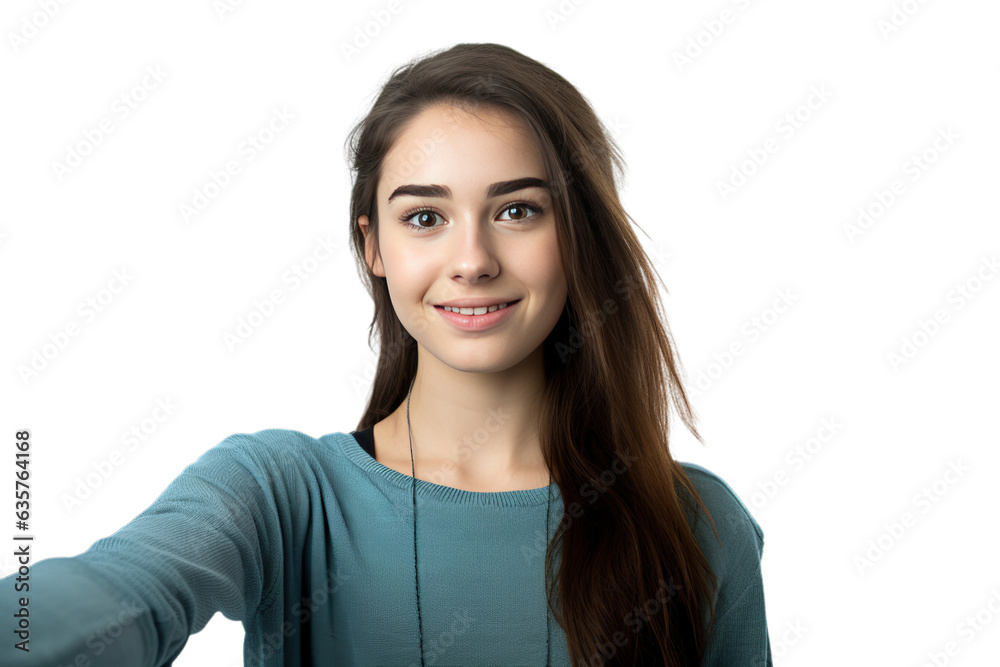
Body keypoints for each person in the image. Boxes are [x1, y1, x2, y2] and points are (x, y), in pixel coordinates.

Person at [0, 42, 771, 666]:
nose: (472, 259)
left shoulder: (699, 526)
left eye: (517, 210)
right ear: (374, 244)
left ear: (580, 236)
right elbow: (113, 595)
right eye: (426, 216)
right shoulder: (281, 494)